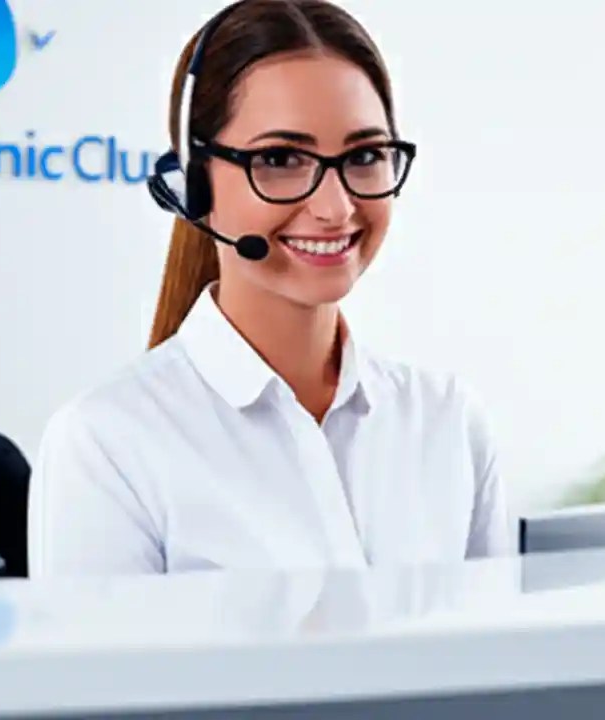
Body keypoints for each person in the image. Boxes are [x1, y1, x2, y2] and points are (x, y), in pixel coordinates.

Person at [27, 0, 510, 576]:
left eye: (364, 156)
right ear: (194, 182)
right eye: (280, 158)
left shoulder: (448, 422)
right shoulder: (108, 444)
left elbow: (496, 662)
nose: (335, 207)